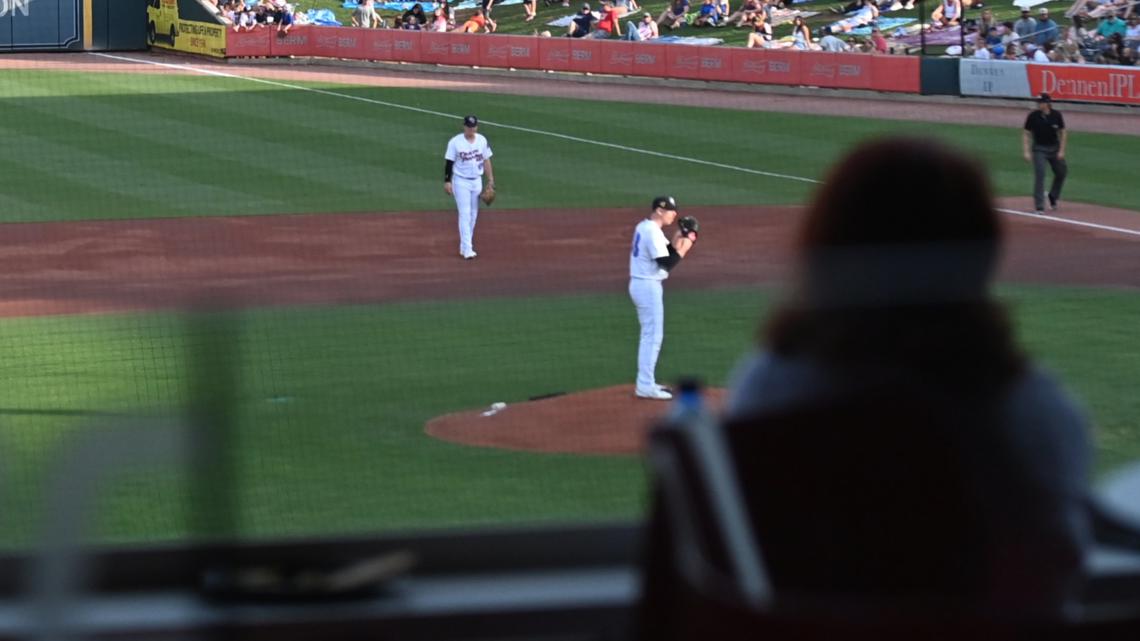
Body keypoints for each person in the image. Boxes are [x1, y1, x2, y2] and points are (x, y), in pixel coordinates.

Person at [726, 137, 1092, 612]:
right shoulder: (1031, 408)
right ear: (979, 253)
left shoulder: (770, 386)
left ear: (828, 245)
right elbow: (1059, 570)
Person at [629, 196, 697, 401]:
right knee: (652, 336)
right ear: (659, 210)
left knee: (650, 335)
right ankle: (645, 385)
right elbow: (667, 262)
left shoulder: (646, 228)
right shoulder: (651, 231)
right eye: (670, 210)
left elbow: (667, 251)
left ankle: (646, 382)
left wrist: (680, 235)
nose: (674, 213)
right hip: (647, 286)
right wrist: (689, 242)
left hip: (643, 284)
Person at [444, 115, 495, 260]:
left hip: (477, 181)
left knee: (473, 215)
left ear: (476, 127)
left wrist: (491, 180)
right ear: (464, 126)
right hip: (461, 182)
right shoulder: (455, 142)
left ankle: (464, 246)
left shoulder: (482, 140)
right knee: (465, 214)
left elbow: (486, 160)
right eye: (468, 126)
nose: (471, 129)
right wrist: (447, 181)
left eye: (473, 126)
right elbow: (449, 162)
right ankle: (468, 249)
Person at [1023, 93, 1067, 214]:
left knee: (1061, 172)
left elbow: (1063, 133)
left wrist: (1062, 150)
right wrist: (1026, 151)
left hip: (1054, 148)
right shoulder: (1033, 116)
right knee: (1040, 175)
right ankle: (1039, 206)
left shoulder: (1056, 115)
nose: (1039, 104)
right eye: (1038, 102)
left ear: (1047, 103)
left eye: (1041, 102)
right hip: (1039, 149)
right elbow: (1026, 133)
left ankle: (1053, 195)